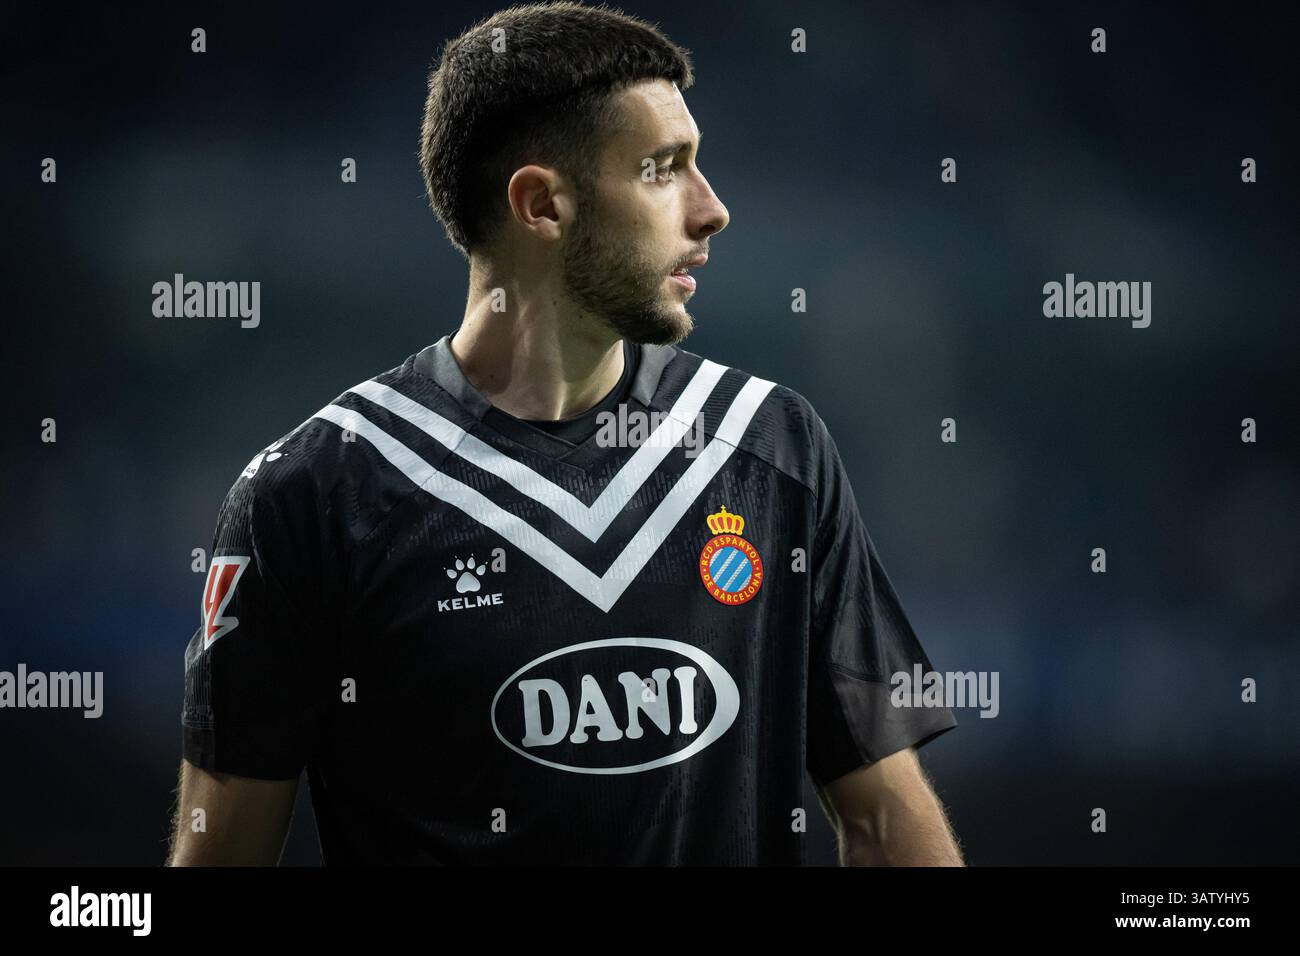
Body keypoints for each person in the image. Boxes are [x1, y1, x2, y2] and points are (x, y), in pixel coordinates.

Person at [167, 1, 963, 866]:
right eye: (664, 170)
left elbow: (887, 821)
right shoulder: (312, 497)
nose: (712, 210)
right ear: (542, 205)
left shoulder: (772, 447)